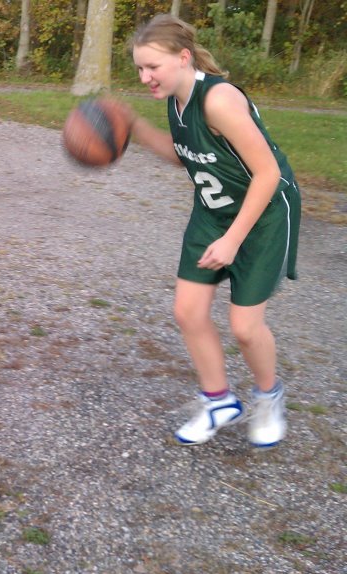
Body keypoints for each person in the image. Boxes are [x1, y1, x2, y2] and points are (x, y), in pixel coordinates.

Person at [124, 14, 301, 447]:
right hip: (213, 212)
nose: (146, 77)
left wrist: (233, 239)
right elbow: (187, 154)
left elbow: (267, 174)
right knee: (187, 311)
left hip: (264, 215)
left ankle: (268, 395)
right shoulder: (176, 97)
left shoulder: (219, 99)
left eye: (153, 67)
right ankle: (218, 400)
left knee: (244, 326)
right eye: (139, 69)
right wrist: (133, 127)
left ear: (183, 57)